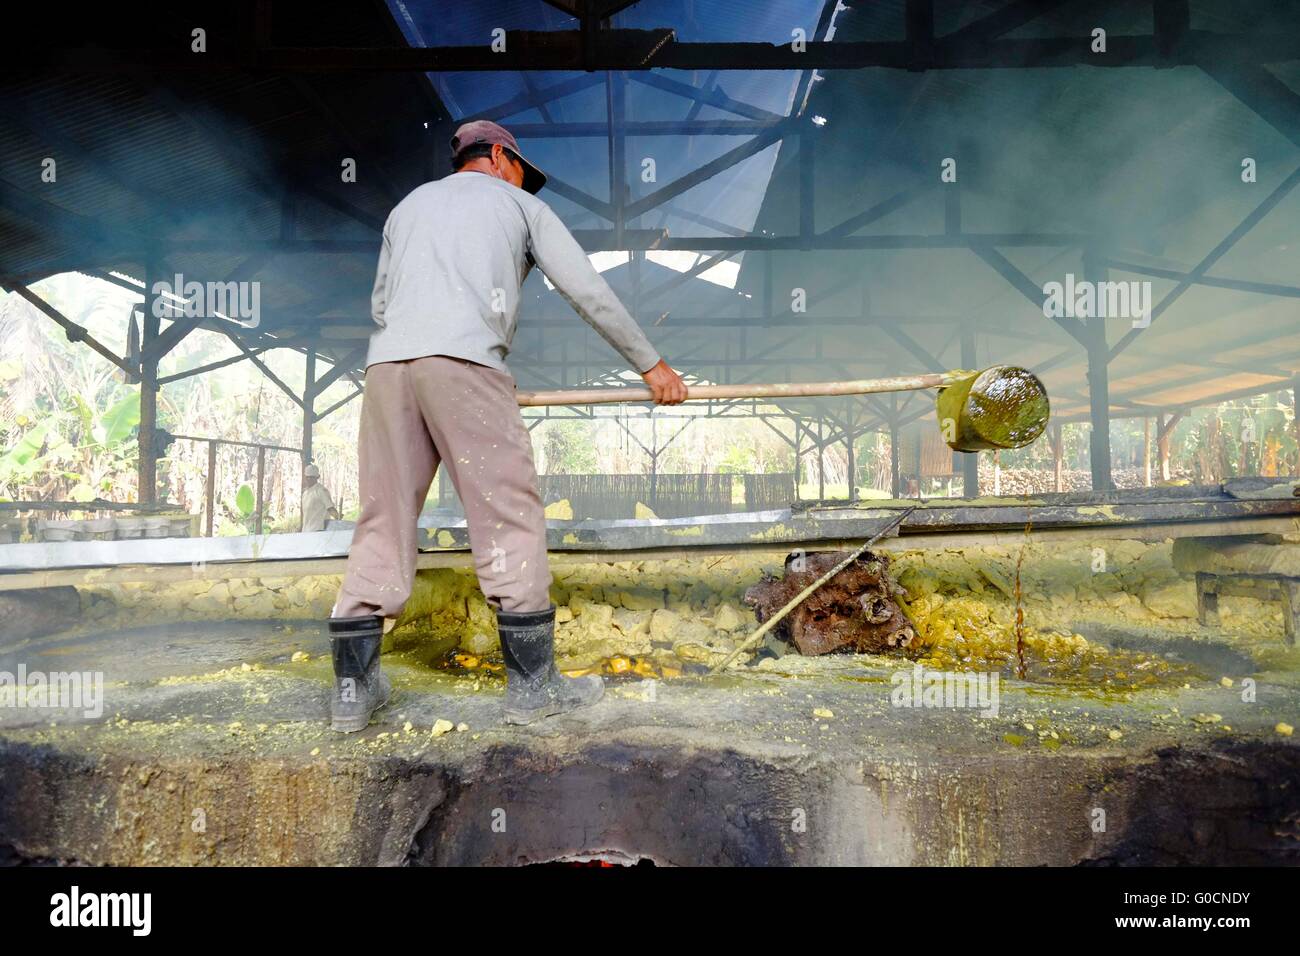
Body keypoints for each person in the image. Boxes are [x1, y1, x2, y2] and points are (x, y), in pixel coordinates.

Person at [326, 119, 687, 733]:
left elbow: (382, 304)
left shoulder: (407, 206)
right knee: (507, 510)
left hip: (388, 369)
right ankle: (534, 687)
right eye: (523, 172)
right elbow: (585, 287)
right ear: (499, 157)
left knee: (384, 514)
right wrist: (651, 364)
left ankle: (353, 694)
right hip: (464, 364)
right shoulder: (517, 205)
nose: (526, 185)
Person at [300, 463, 339, 532]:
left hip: (319, 530)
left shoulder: (321, 491)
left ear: (317, 477)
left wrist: (338, 518)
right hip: (306, 531)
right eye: (307, 477)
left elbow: (330, 509)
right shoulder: (305, 493)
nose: (309, 479)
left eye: (312, 477)